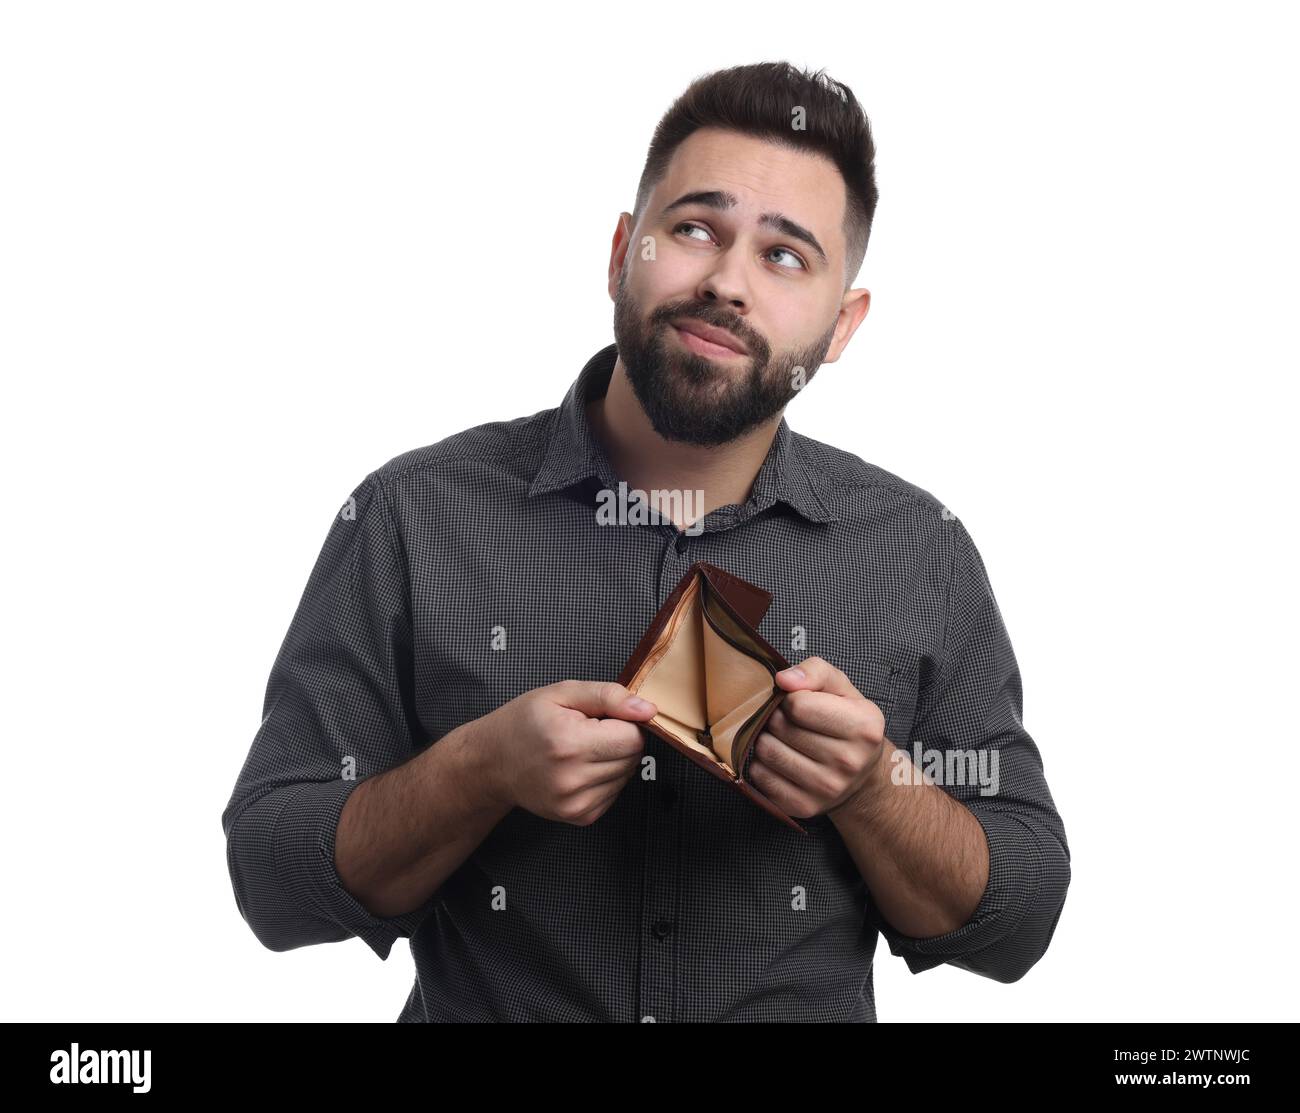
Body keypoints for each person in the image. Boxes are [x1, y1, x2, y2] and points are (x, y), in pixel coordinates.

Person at [221, 61, 1070, 1022]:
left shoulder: (920, 551)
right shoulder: (412, 514)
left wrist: (877, 788)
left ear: (843, 324)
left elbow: (1022, 917)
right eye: (696, 229)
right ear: (625, 249)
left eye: (786, 255)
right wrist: (478, 770)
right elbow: (272, 875)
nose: (726, 282)